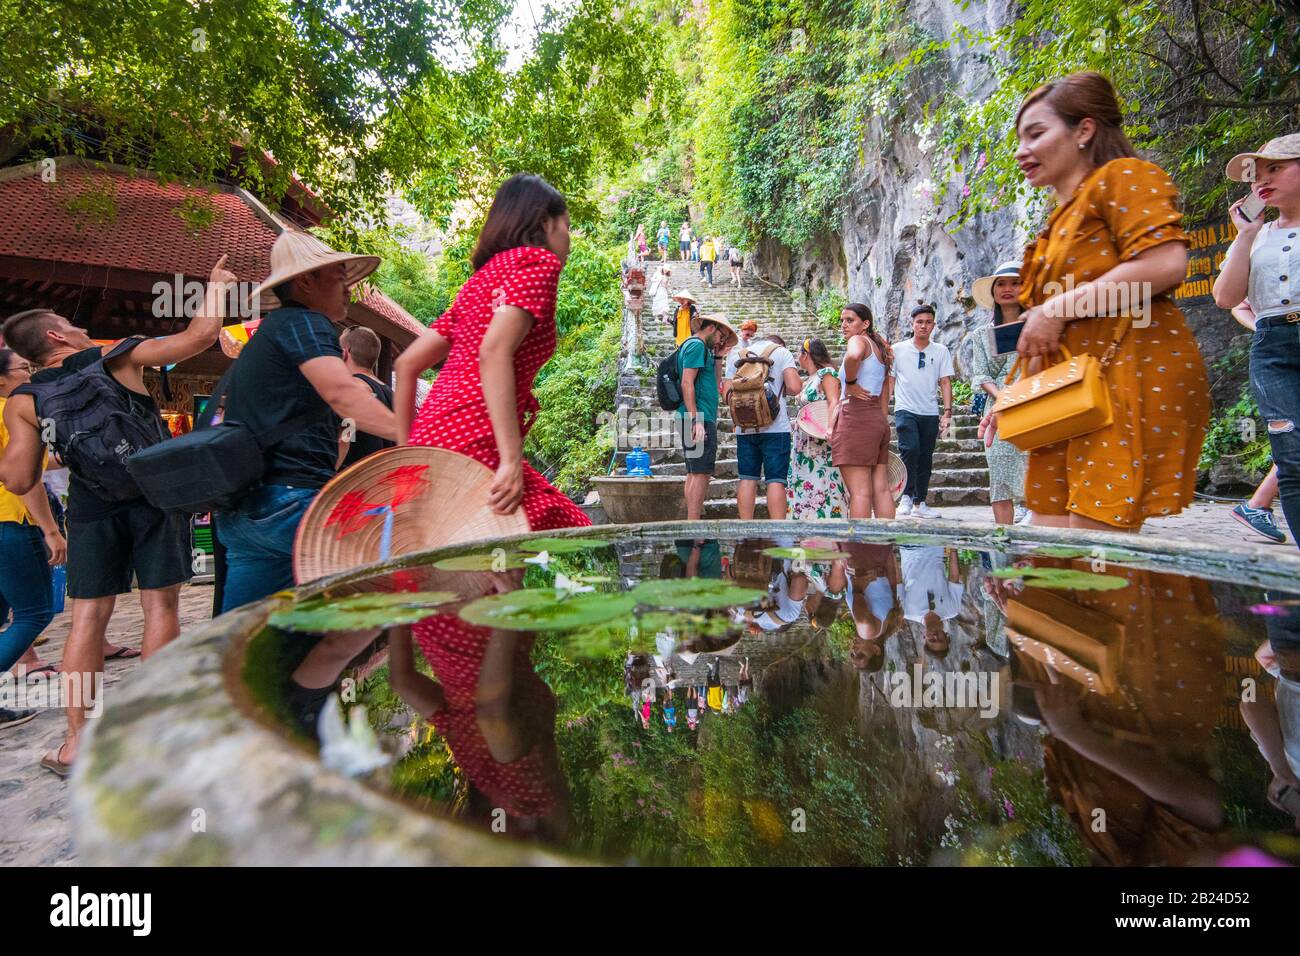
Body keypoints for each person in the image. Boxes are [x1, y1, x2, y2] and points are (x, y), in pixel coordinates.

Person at [0, 256, 230, 774]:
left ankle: (78, 740)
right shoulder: (115, 356)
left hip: (90, 506)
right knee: (161, 608)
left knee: (87, 618)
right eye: (74, 325)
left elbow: (17, 479)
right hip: (154, 494)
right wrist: (216, 288)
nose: (83, 328)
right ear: (58, 336)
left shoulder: (24, 399)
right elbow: (199, 337)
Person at [1014, 71, 1209, 531]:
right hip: (1067, 392)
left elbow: (1165, 264)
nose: (1022, 150)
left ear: (1084, 130)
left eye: (1036, 134)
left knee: (1095, 542)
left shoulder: (1123, 177)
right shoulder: (1060, 217)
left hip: (1124, 373)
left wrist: (1055, 309)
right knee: (1049, 540)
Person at [395, 173, 591, 531]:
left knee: (483, 569)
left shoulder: (479, 281)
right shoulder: (538, 263)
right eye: (567, 226)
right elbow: (494, 350)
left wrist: (407, 459)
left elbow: (407, 365)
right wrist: (512, 460)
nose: (569, 239)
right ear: (546, 223)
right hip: (475, 441)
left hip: (431, 445)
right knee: (576, 540)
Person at [216, 233, 396, 612]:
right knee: (390, 583)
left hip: (249, 513)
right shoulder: (306, 324)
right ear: (305, 282)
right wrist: (424, 437)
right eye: (338, 276)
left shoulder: (270, 333)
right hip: (290, 504)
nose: (348, 289)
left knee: (248, 642)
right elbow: (343, 395)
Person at [1213, 132, 1300, 545]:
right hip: (1274, 348)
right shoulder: (1255, 238)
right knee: (1292, 456)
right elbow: (1226, 298)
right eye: (1255, 175)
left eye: (1275, 168)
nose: (1261, 180)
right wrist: (1245, 236)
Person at [0, 349, 65, 698]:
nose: (30, 374)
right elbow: (23, 480)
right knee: (34, 612)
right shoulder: (11, 412)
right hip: (12, 519)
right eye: (24, 368)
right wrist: (51, 530)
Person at [969, 261, 1030, 525]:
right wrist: (1003, 397)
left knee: (1034, 474)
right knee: (1001, 478)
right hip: (997, 411)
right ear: (993, 291)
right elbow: (980, 374)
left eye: (1015, 283)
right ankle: (1002, 542)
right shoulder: (981, 334)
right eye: (1001, 284)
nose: (1007, 289)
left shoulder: (1038, 327)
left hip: (1034, 404)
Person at [1221, 301, 1286, 543]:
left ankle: (1257, 505)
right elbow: (1238, 306)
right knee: (1294, 438)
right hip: (1280, 355)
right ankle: (1257, 504)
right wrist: (1263, 330)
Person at [723, 331, 801, 520]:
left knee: (747, 478)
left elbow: (726, 395)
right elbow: (795, 387)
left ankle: (746, 528)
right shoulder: (782, 353)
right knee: (776, 481)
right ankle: (778, 530)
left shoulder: (737, 355)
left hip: (744, 427)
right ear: (779, 344)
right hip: (776, 427)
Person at [833, 303, 897, 519]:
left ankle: (859, 548)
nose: (843, 325)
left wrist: (850, 382)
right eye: (842, 320)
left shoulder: (858, 340)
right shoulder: (880, 349)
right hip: (876, 419)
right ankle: (886, 545)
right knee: (881, 489)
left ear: (865, 324)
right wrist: (881, 420)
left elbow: (853, 356)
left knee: (859, 493)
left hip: (856, 417)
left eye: (849, 320)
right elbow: (885, 391)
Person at [890, 304, 952, 518]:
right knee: (910, 449)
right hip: (905, 409)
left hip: (930, 411)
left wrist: (947, 412)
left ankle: (920, 502)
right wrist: (882, 408)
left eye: (928, 322)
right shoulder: (897, 349)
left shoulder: (941, 351)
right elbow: (891, 381)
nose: (923, 326)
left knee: (926, 456)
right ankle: (905, 498)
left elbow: (945, 382)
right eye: (919, 322)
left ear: (933, 325)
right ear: (912, 323)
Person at [677, 313, 737, 521]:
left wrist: (719, 356)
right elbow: (687, 383)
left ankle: (692, 521)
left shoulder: (706, 351)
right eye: (722, 335)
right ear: (711, 328)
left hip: (699, 416)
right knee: (701, 473)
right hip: (697, 417)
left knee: (695, 472)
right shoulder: (696, 346)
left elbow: (715, 381)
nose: (722, 341)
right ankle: (694, 525)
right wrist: (696, 420)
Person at [790, 337, 848, 519]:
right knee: (807, 479)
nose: (798, 358)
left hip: (821, 438)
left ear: (806, 355)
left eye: (799, 353)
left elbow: (834, 401)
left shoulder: (827, 373)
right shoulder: (809, 379)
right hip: (804, 440)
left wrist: (830, 428)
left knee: (823, 478)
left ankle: (828, 522)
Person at [337, 326, 395, 470]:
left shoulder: (355, 388)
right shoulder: (392, 394)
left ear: (345, 353)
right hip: (384, 478)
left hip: (356, 477)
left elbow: (345, 439)